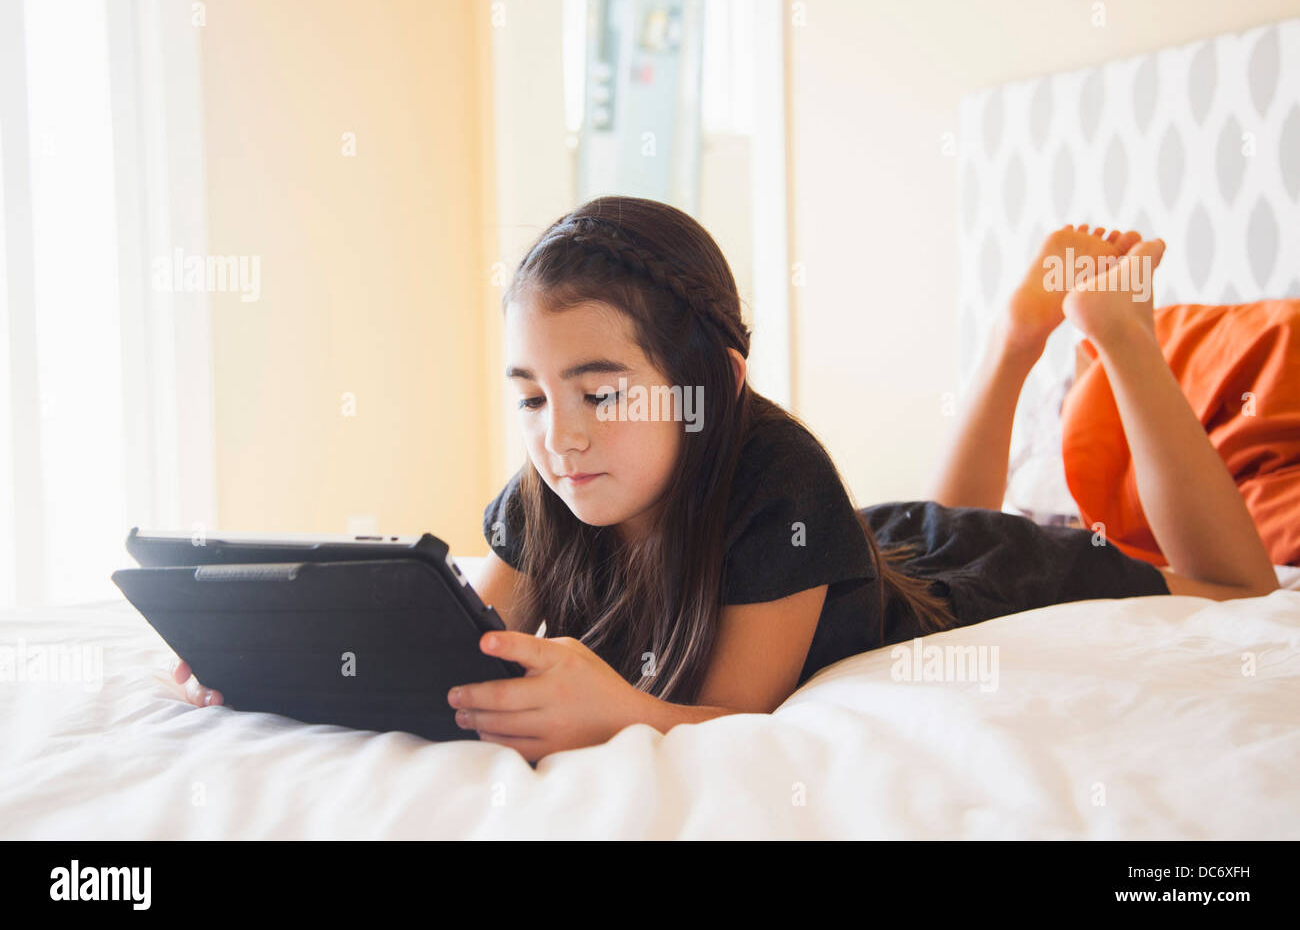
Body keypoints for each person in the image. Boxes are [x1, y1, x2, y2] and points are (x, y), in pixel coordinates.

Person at [174, 199, 1278, 763]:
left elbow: (733, 713)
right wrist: (283, 652)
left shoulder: (775, 473)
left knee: (1232, 592)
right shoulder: (547, 487)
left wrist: (620, 713)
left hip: (975, 585)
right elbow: (473, 639)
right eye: (530, 394)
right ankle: (1012, 339)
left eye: (600, 391)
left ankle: (1108, 332)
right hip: (876, 544)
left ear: (715, 383)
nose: (558, 436)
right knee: (935, 522)